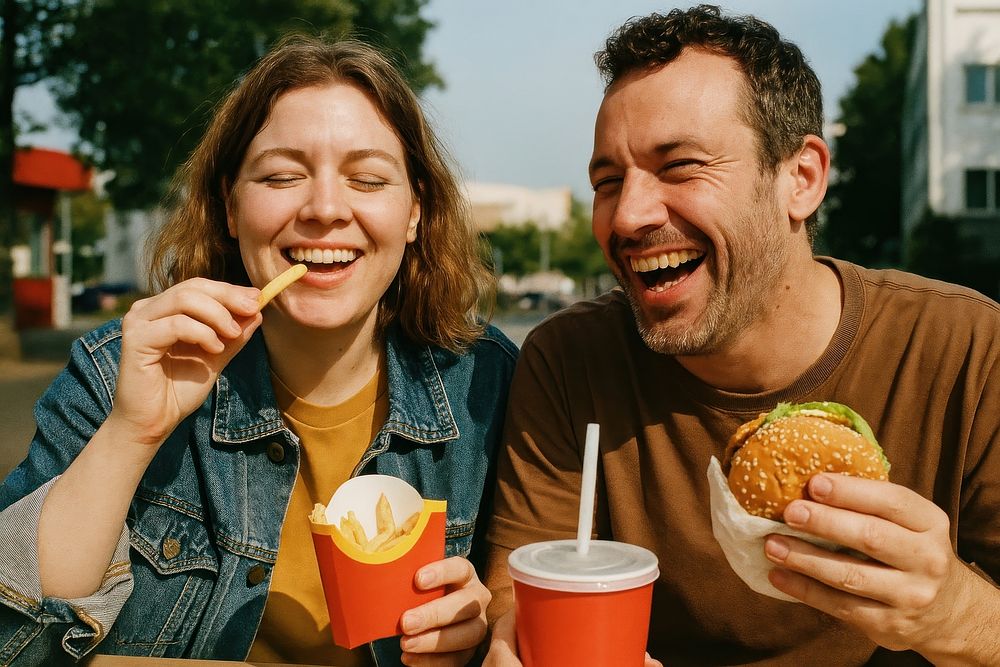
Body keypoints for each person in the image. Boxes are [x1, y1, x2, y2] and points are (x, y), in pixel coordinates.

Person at [484, 5, 999, 666]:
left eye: (681, 167)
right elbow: (516, 596)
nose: (629, 214)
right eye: (607, 182)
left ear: (801, 179)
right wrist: (517, 637)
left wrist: (952, 609)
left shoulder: (969, 352)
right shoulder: (570, 361)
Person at [0, 35, 517, 666]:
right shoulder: (120, 371)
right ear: (230, 205)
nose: (325, 209)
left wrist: (482, 627)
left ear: (414, 211)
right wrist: (132, 432)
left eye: (368, 178)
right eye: (280, 176)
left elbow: (526, 600)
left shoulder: (487, 384)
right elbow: (15, 643)